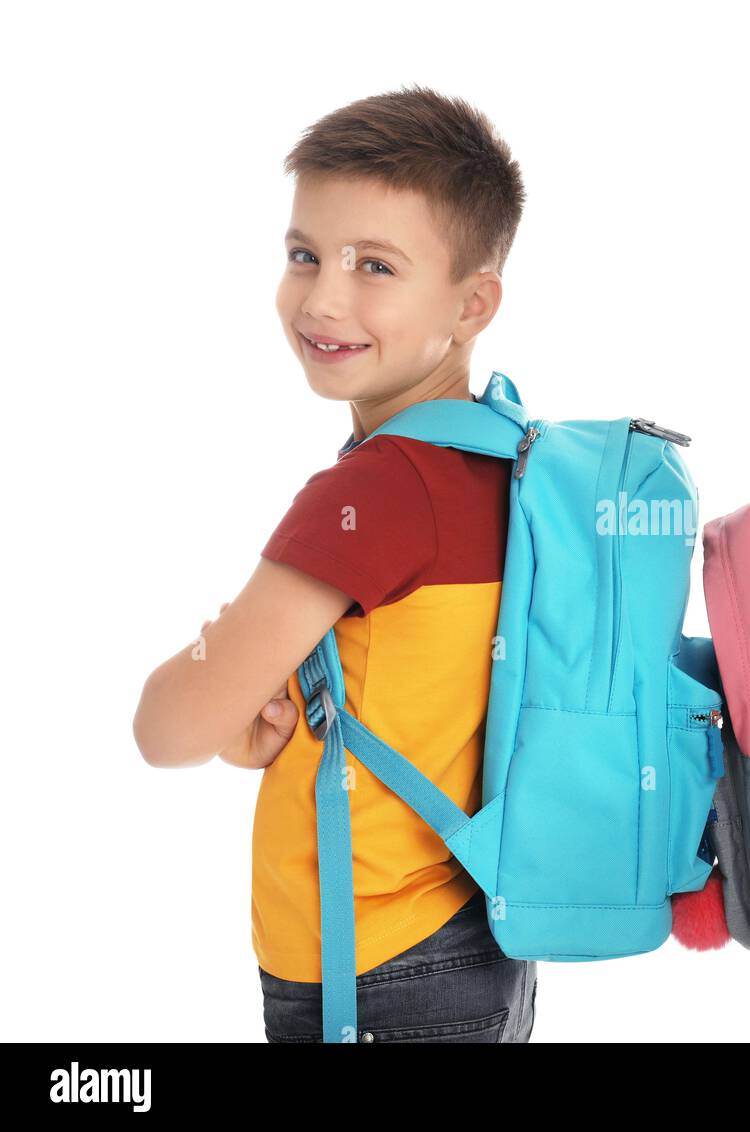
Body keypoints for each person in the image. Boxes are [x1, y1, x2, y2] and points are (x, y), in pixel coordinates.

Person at [132, 85, 537, 1042]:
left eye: (375, 266)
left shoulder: (376, 493)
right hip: (476, 945)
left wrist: (218, 670)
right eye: (304, 254)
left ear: (474, 302)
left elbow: (165, 727)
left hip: (373, 971)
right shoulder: (502, 454)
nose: (322, 297)